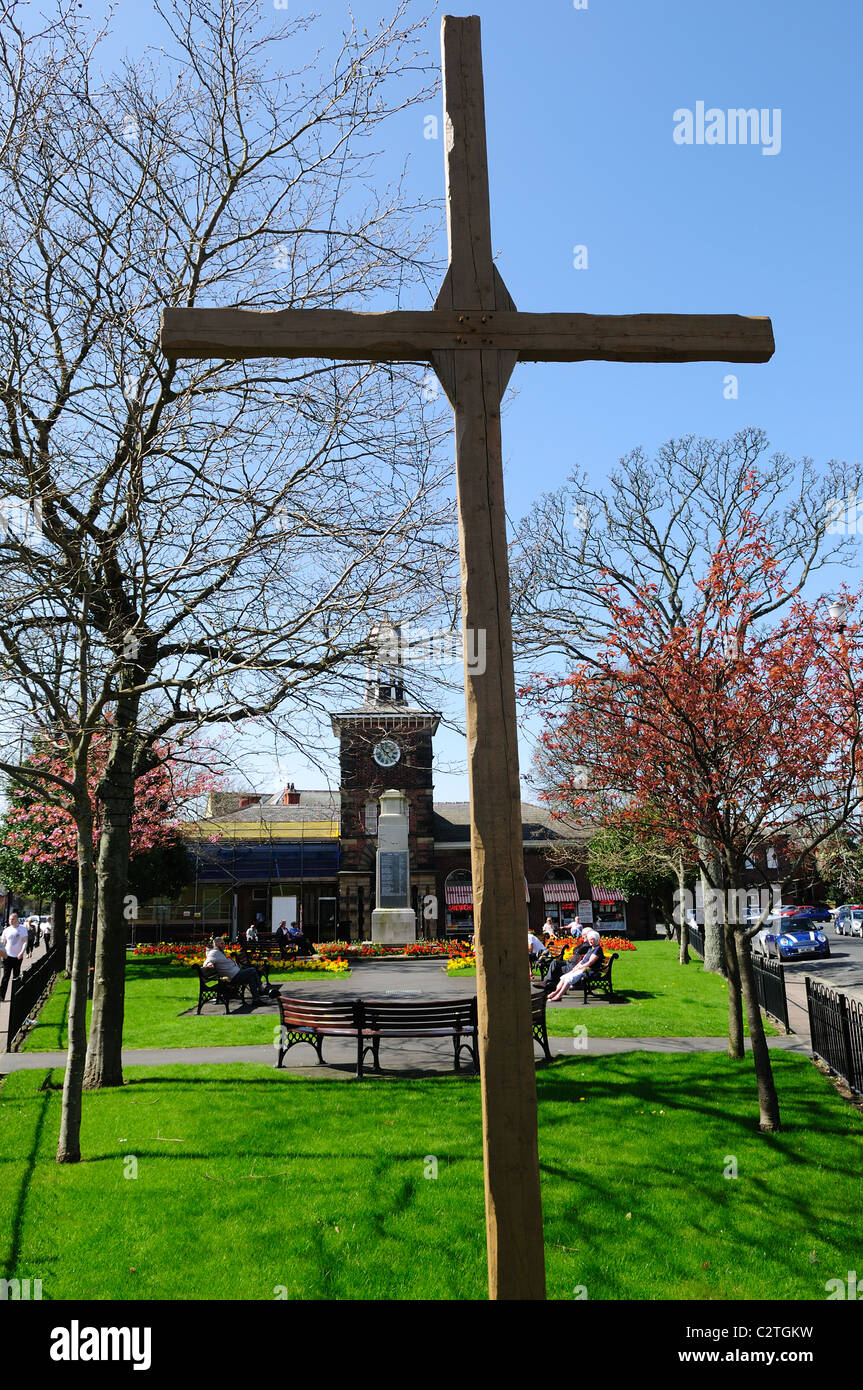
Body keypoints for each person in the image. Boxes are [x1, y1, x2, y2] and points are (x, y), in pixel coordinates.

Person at [203, 936, 269, 1004]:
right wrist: (209, 964)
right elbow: (207, 961)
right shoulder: (213, 953)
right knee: (252, 970)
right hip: (233, 977)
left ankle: (256, 1000)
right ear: (216, 944)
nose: (224, 945)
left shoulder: (219, 952)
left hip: (236, 974)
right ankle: (261, 989)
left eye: (224, 943)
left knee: (251, 978)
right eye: (221, 943)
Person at [547, 928, 604, 1002]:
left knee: (569, 979)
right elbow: (583, 960)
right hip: (582, 969)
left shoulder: (597, 949)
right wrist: (576, 966)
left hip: (589, 970)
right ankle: (555, 992)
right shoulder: (591, 949)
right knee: (564, 977)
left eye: (592, 939)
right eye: (590, 939)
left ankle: (559, 995)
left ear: (597, 940)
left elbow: (590, 963)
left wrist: (579, 967)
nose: (590, 941)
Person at [0, 913, 29, 1001]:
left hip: (17, 957)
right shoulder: (6, 930)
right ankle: (1, 996)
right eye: (10, 919)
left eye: (12, 919)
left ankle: (15, 997)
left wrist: (21, 952)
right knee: (5, 977)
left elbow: (25, 942)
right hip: (7, 957)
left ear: (17, 919)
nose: (10, 921)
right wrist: (2, 954)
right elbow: (3, 943)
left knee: (16, 977)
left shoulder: (22, 929)